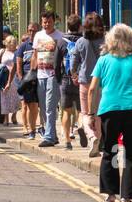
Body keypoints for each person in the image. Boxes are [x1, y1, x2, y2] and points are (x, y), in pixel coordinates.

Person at [90, 23, 132, 202]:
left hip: (109, 109)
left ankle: (110, 196)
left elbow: (93, 88)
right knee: (131, 154)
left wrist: (91, 114)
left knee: (109, 151)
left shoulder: (104, 60)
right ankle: (126, 198)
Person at [71, 12, 106, 153]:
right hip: (103, 81)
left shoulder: (81, 42)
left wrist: (74, 73)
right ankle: (97, 140)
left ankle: (92, 137)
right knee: (99, 113)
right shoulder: (106, 41)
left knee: (86, 113)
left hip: (85, 81)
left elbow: (73, 62)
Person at [32, 10, 67, 147]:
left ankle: (49, 137)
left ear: (54, 21)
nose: (46, 24)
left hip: (54, 75)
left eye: (49, 22)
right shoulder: (38, 35)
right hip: (40, 75)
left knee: (50, 106)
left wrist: (60, 72)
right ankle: (52, 134)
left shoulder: (61, 36)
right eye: (44, 22)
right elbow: (35, 55)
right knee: (43, 106)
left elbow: (65, 57)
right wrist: (32, 73)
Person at [58, 15, 83, 149]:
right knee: (81, 111)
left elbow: (56, 63)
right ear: (80, 27)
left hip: (65, 80)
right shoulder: (84, 41)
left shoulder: (61, 42)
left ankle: (67, 140)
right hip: (80, 79)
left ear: (68, 26)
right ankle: (81, 127)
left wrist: (58, 79)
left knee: (66, 111)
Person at [16, 25, 40, 136]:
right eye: (30, 30)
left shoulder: (41, 44)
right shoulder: (23, 47)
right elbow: (18, 65)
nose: (31, 32)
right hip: (28, 80)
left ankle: (40, 127)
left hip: (40, 78)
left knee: (38, 106)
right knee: (28, 105)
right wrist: (22, 80)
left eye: (34, 30)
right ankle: (30, 128)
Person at [0, 35, 21, 124]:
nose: (12, 46)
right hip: (5, 77)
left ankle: (14, 116)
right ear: (6, 44)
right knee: (5, 97)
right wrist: (2, 67)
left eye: (13, 44)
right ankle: (6, 118)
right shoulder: (2, 51)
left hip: (15, 77)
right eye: (10, 44)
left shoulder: (17, 51)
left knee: (16, 98)